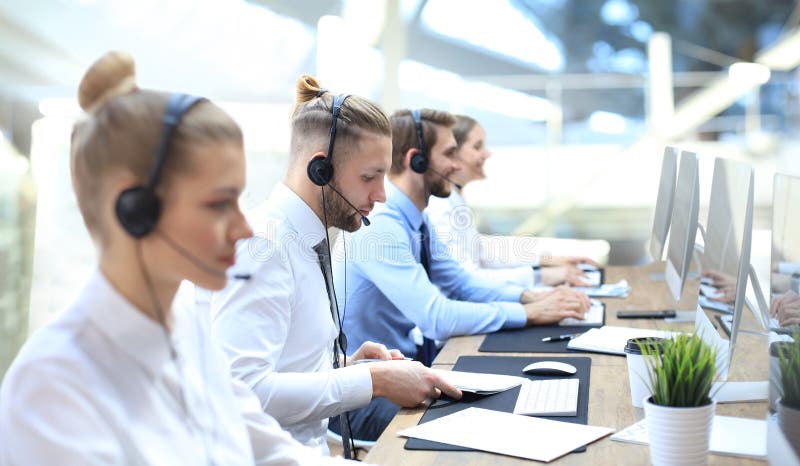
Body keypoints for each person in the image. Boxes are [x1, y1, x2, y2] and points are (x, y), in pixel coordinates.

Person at [0, 52, 356, 465]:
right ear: (135, 210)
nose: (243, 228)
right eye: (218, 203)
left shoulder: (184, 325)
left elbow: (265, 444)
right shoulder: (54, 384)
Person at [204, 76, 460, 455]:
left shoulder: (307, 239)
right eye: (369, 177)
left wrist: (349, 366)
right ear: (319, 170)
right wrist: (373, 381)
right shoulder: (264, 246)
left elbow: (287, 366)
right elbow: (242, 391)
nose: (381, 194)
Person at [332, 108, 590, 441]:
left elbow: (458, 283)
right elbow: (436, 317)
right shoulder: (381, 225)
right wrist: (528, 313)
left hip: (405, 370)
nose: (457, 165)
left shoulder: (414, 218)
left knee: (520, 397)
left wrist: (530, 298)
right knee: (493, 424)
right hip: (364, 396)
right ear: (418, 160)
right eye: (451, 153)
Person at [426, 114, 601, 288]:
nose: (487, 154)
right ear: (451, 154)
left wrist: (551, 261)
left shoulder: (454, 198)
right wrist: (544, 275)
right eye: (477, 147)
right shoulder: (440, 208)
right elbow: (468, 278)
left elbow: (481, 253)